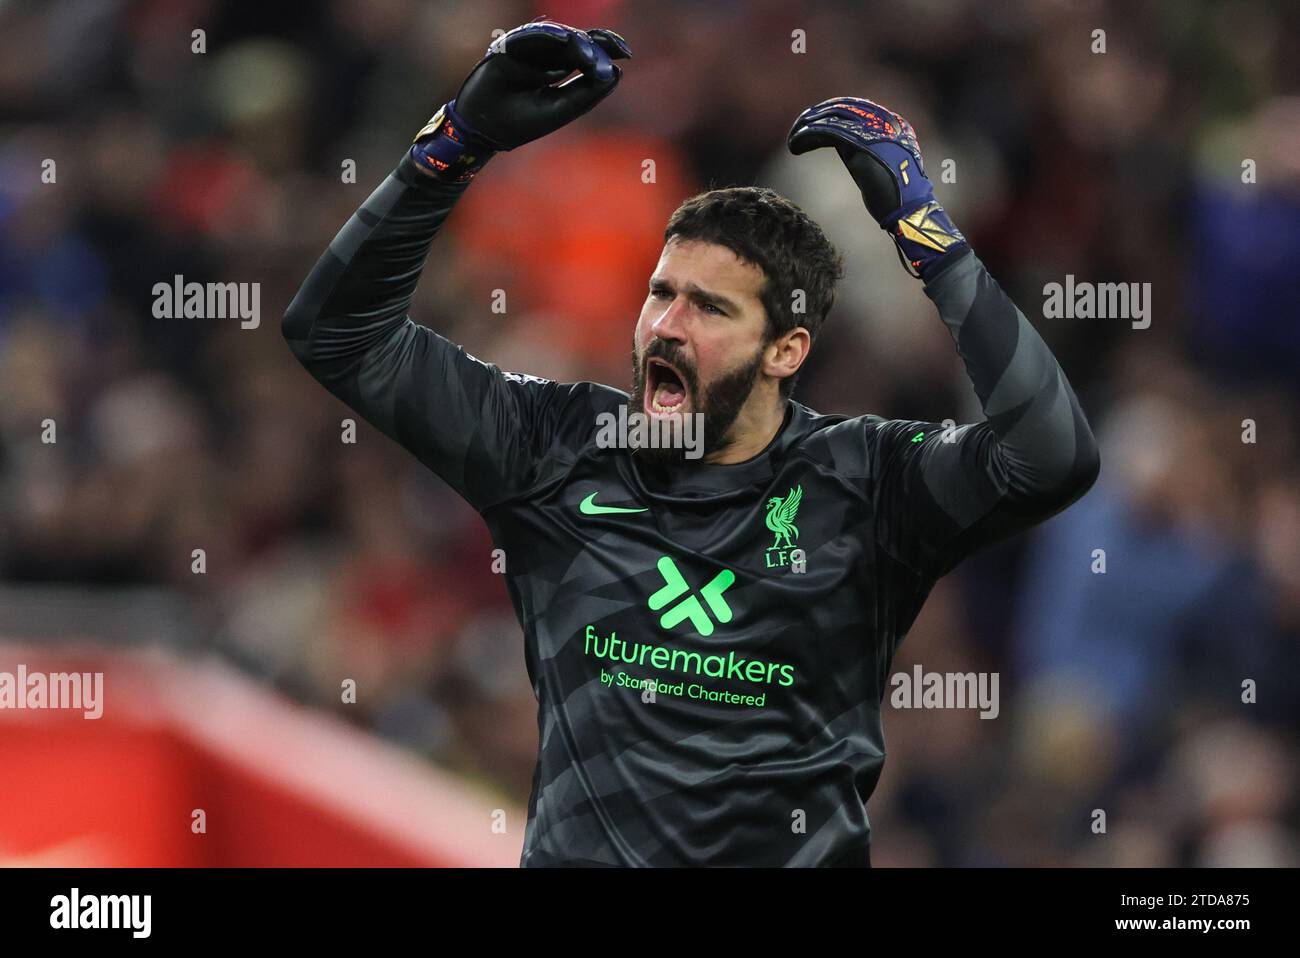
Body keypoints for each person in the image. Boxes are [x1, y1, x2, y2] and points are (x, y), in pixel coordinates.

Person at [282, 19, 1100, 866]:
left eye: (710, 308)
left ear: (786, 349)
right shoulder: (559, 446)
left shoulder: (867, 480)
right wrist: (456, 141)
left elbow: (1053, 455)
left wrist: (929, 238)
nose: (666, 326)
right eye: (659, 293)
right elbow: (337, 334)